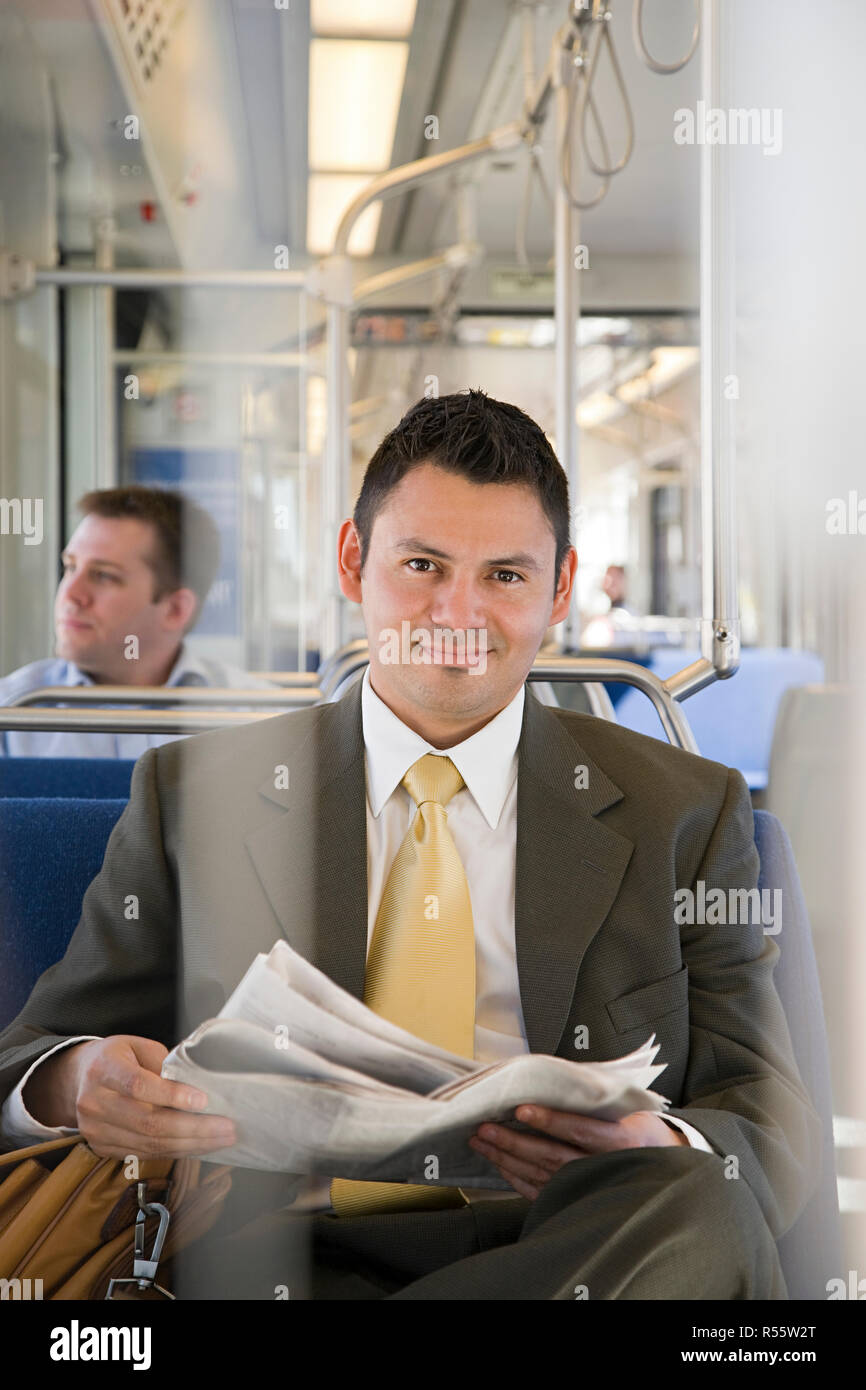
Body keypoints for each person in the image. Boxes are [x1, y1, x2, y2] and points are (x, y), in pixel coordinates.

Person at [0, 392, 821, 1299]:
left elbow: (769, 1123)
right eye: (423, 564)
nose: (458, 613)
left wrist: (656, 1145)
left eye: (504, 576)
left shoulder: (685, 813)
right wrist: (76, 1081)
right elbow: (33, 1047)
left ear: (560, 588)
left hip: (588, 1242)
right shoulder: (196, 796)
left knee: (703, 1202)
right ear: (354, 561)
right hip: (285, 1251)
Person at [0, 485, 274, 757]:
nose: (70, 595)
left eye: (104, 576)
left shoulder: (261, 720)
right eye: (70, 567)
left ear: (175, 610)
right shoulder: (10, 713)